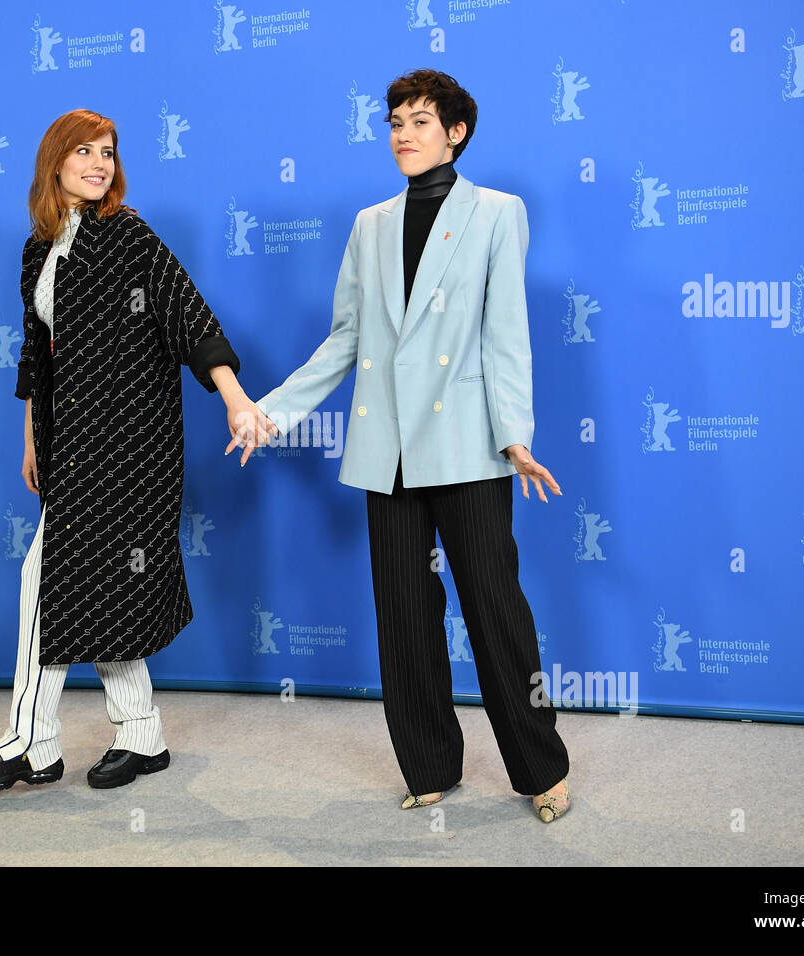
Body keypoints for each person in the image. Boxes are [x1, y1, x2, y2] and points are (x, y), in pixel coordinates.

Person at [245, 69, 572, 822]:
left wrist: (514, 437)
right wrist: (269, 414)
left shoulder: (497, 213)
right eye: (394, 121)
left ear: (456, 132)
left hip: (467, 444)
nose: (402, 133)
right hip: (386, 451)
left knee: (496, 611)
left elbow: (507, 335)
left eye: (420, 121)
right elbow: (346, 341)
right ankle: (429, 764)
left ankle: (539, 767)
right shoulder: (369, 224)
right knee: (403, 615)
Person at [0, 108, 274, 792]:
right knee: (97, 587)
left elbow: (189, 315)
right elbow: (37, 356)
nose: (99, 163)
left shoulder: (127, 236)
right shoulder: (38, 250)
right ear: (56, 162)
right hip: (68, 446)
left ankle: (28, 743)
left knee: (49, 581)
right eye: (85, 151)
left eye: (108, 152)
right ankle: (141, 734)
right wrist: (29, 438)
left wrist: (236, 396)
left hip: (132, 445)